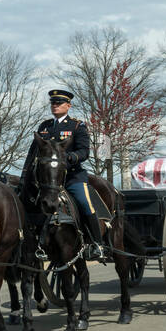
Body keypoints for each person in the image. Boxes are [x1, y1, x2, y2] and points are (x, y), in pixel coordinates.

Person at [21, 88, 104, 260]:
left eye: (59, 103)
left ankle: (97, 244)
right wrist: (24, 176)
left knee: (85, 203)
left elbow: (84, 151)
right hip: (46, 180)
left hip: (72, 176)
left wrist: (71, 157)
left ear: (68, 106)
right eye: (53, 103)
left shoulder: (77, 126)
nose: (55, 106)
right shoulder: (44, 127)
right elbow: (32, 153)